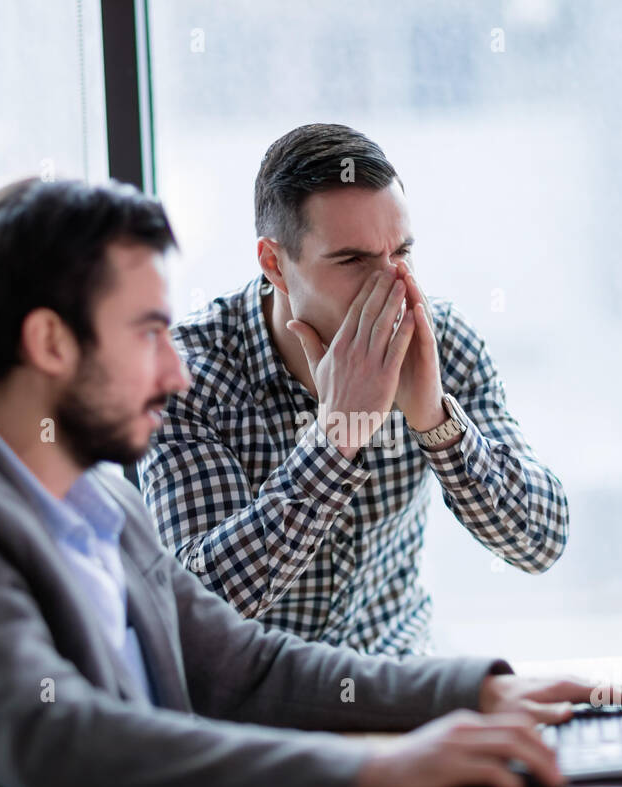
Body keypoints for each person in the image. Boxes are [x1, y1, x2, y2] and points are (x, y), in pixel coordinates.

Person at [0, 177, 622, 787]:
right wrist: (375, 770)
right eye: (148, 334)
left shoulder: (91, 496)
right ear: (50, 343)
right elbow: (63, 744)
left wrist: (480, 690)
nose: (175, 372)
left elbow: (237, 668)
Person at [138, 123, 568, 656]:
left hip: (395, 683)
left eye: (402, 253)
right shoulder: (188, 376)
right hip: (255, 708)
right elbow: (195, 607)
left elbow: (542, 542)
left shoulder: (442, 342)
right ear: (274, 263)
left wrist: (437, 423)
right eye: (354, 261)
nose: (393, 284)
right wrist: (336, 440)